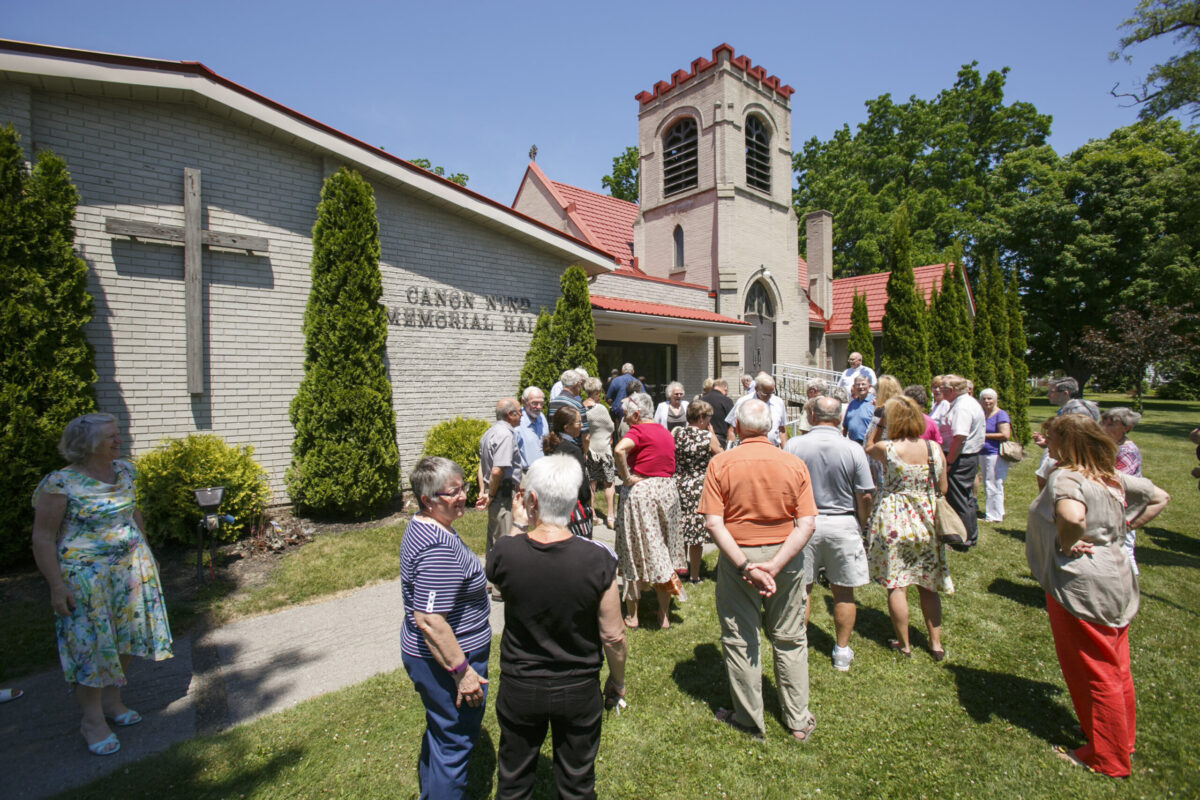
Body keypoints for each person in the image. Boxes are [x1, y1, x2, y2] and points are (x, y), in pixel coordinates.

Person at [1026, 415, 1168, 777]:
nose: (1047, 441)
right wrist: (1123, 527)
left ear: (1067, 441)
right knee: (1117, 665)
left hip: (1080, 584)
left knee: (1093, 669)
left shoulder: (1067, 476)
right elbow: (1159, 496)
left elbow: (1071, 516)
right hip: (1116, 575)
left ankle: (1106, 757)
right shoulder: (1109, 477)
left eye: (1052, 436)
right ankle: (1121, 739)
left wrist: (1068, 541)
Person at [30, 413, 173, 757]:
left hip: (128, 569)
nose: (119, 440)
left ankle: (112, 700)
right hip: (84, 577)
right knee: (90, 646)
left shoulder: (124, 471)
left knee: (127, 635)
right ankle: (92, 720)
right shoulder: (60, 484)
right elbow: (43, 537)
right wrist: (56, 586)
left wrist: (146, 551)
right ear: (89, 444)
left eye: (117, 434)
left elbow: (132, 513)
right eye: (111, 436)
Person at [487, 454, 627, 799]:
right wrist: (617, 680)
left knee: (514, 780)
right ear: (576, 500)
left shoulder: (504, 552)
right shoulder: (599, 559)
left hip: (520, 683)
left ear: (530, 500)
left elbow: (505, 567)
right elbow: (612, 634)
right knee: (577, 782)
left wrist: (520, 526)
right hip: (578, 685)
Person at [700, 399, 818, 742]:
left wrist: (747, 566)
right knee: (790, 636)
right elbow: (807, 523)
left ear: (735, 426)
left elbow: (713, 523)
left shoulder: (721, 463)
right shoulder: (793, 464)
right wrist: (776, 564)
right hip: (786, 555)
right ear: (768, 427)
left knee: (740, 638)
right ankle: (797, 719)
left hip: (740, 557)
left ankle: (749, 718)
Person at [401, 457, 491, 799]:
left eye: (463, 487)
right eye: (453, 492)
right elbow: (430, 619)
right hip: (448, 660)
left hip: (433, 656)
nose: (463, 496)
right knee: (455, 740)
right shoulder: (437, 548)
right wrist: (461, 672)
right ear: (428, 500)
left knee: (442, 732)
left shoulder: (425, 524)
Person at [785, 396, 874, 672]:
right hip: (842, 522)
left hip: (805, 523)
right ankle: (842, 650)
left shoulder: (794, 445)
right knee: (843, 591)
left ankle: (799, 643)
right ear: (839, 419)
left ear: (812, 417)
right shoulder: (853, 449)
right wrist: (862, 523)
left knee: (802, 588)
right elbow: (866, 494)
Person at [864, 396, 953, 660]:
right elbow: (944, 487)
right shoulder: (934, 449)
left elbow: (867, 446)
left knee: (897, 585)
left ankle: (904, 644)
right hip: (925, 520)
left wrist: (879, 423)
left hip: (893, 519)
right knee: (928, 585)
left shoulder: (887, 448)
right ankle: (935, 644)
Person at [612, 392, 683, 629]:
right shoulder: (663, 431)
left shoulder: (638, 430)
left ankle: (633, 615)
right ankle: (663, 614)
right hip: (667, 491)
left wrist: (626, 476)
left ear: (635, 414)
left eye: (626, 416)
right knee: (663, 546)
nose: (625, 421)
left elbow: (620, 449)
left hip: (642, 493)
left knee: (632, 548)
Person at [673, 399, 723, 583]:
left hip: (678, 483)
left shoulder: (677, 433)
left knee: (681, 527)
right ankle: (694, 574)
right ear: (701, 418)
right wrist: (712, 434)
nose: (709, 422)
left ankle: (680, 568)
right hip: (697, 486)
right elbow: (721, 455)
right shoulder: (706, 437)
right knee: (695, 531)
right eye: (708, 418)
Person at [477, 398, 524, 578]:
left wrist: (484, 490)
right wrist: (489, 494)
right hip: (503, 494)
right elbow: (497, 470)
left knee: (494, 537)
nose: (521, 415)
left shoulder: (489, 432)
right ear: (510, 415)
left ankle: (491, 577)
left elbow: (481, 467)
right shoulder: (505, 436)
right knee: (505, 539)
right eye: (519, 412)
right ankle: (501, 586)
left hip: (495, 492)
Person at [937, 375, 986, 550]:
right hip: (966, 456)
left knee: (958, 498)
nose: (939, 391)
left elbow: (960, 438)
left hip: (961, 457)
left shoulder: (962, 407)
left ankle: (965, 538)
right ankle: (968, 535)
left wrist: (949, 462)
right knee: (962, 496)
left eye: (942, 388)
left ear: (951, 390)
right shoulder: (966, 403)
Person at [1034, 377, 1101, 490]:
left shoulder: (1076, 412)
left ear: (1065, 393)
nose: (1048, 395)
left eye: (1051, 391)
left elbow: (1077, 440)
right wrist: (1047, 442)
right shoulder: (1067, 409)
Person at [1100, 407, 1144, 573]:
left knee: (1123, 547)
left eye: (1111, 424)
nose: (1104, 426)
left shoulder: (1127, 450)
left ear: (1126, 428)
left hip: (1124, 505)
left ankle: (1130, 586)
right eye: (1103, 422)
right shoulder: (1108, 444)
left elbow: (1118, 480)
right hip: (1107, 502)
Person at [542, 405, 594, 539]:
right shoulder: (572, 450)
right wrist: (587, 501)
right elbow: (581, 483)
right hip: (573, 507)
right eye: (578, 423)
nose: (581, 426)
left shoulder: (553, 443)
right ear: (567, 427)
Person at [583, 376, 617, 528]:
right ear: (597, 392)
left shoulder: (581, 407)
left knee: (591, 482)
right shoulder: (601, 409)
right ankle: (610, 516)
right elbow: (610, 426)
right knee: (609, 482)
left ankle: (592, 514)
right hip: (604, 450)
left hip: (589, 450)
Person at [725, 372, 788, 447]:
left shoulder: (778, 402)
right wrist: (730, 450)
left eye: (771, 393)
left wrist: (785, 451)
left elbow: (781, 429)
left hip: (773, 449)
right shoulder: (743, 402)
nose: (769, 397)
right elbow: (732, 430)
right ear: (756, 388)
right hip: (748, 449)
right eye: (765, 394)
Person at [978, 388, 1012, 523]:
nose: (987, 401)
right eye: (984, 399)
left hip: (995, 453)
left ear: (995, 399)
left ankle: (993, 515)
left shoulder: (1001, 414)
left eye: (989, 398)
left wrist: (983, 435)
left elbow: (1005, 434)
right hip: (984, 452)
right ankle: (997, 511)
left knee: (993, 483)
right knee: (989, 482)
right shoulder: (984, 414)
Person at [548, 370, 590, 438]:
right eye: (580, 383)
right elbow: (585, 435)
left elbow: (551, 427)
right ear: (576, 384)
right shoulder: (577, 404)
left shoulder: (552, 403)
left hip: (556, 445)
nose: (581, 387)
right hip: (573, 446)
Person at [515, 386, 549, 468]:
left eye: (541, 403)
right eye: (534, 403)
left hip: (544, 471)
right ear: (523, 401)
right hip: (526, 474)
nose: (539, 407)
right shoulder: (517, 423)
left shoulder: (542, 417)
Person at [700, 378, 734, 448]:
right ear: (725, 388)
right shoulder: (727, 401)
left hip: (702, 439)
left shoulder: (701, 400)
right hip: (720, 441)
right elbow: (732, 423)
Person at [842, 376, 875, 446]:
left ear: (869, 386)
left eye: (863, 384)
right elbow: (845, 426)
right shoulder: (852, 404)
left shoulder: (874, 403)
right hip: (851, 444)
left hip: (867, 445)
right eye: (858, 384)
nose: (860, 387)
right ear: (854, 387)